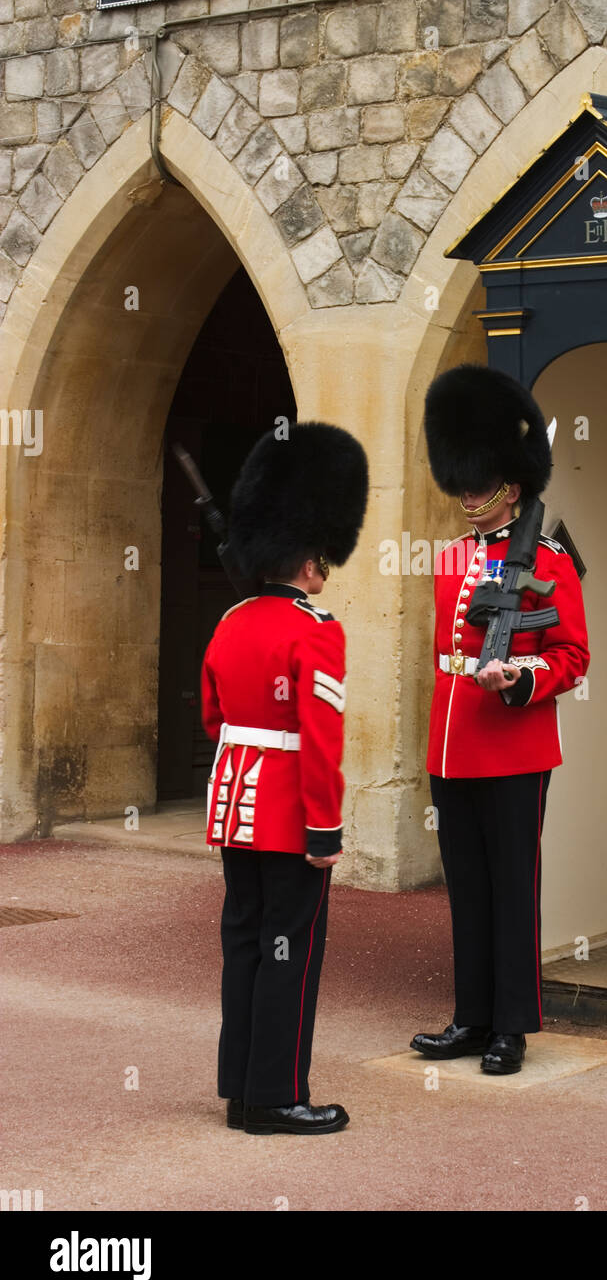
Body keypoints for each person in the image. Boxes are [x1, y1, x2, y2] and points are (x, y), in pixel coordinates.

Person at [412, 364, 590, 1074]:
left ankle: (512, 1026)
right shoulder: (451, 558)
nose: (466, 495)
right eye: (461, 482)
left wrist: (522, 677)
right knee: (467, 887)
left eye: (478, 485)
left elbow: (573, 655)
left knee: (512, 887)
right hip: (452, 744)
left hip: (514, 744)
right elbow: (444, 655)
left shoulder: (549, 559)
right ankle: (471, 1016)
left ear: (510, 487)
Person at [200, 422, 368, 1133]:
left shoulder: (231, 620)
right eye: (321, 560)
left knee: (246, 943)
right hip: (288, 815)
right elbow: (320, 742)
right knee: (289, 951)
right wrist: (324, 826)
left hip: (235, 810)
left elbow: (213, 719)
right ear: (307, 562)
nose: (323, 571)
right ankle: (277, 1096)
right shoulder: (316, 629)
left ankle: (243, 1089)